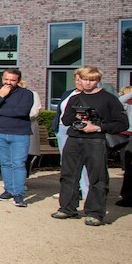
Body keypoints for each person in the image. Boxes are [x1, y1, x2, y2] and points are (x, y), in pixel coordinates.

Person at [52, 67, 129, 225]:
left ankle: (95, 213)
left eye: (92, 80)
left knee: (97, 177)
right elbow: (65, 120)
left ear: (98, 80)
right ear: (79, 79)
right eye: (85, 79)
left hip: (96, 140)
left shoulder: (109, 99)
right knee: (68, 175)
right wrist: (76, 115)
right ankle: (67, 208)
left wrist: (97, 127)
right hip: (73, 139)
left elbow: (122, 123)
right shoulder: (74, 98)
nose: (87, 83)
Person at [0, 68, 35, 207]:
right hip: (0, 132)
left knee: (18, 164)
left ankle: (18, 194)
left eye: (12, 80)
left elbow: (22, 111)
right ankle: (9, 190)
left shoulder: (26, 94)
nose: (8, 82)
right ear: (2, 78)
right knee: (5, 163)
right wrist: (1, 96)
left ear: (18, 81)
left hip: (20, 134)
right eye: (6, 79)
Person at [52, 75, 90, 204]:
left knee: (81, 162)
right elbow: (60, 112)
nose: (80, 82)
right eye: (77, 79)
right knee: (66, 162)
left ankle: (86, 191)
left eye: (82, 79)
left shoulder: (89, 96)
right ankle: (68, 190)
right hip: (62, 129)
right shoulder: (68, 93)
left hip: (78, 130)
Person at [118, 86, 132, 207]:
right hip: (129, 136)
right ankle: (128, 197)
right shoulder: (128, 102)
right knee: (129, 168)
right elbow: (119, 101)